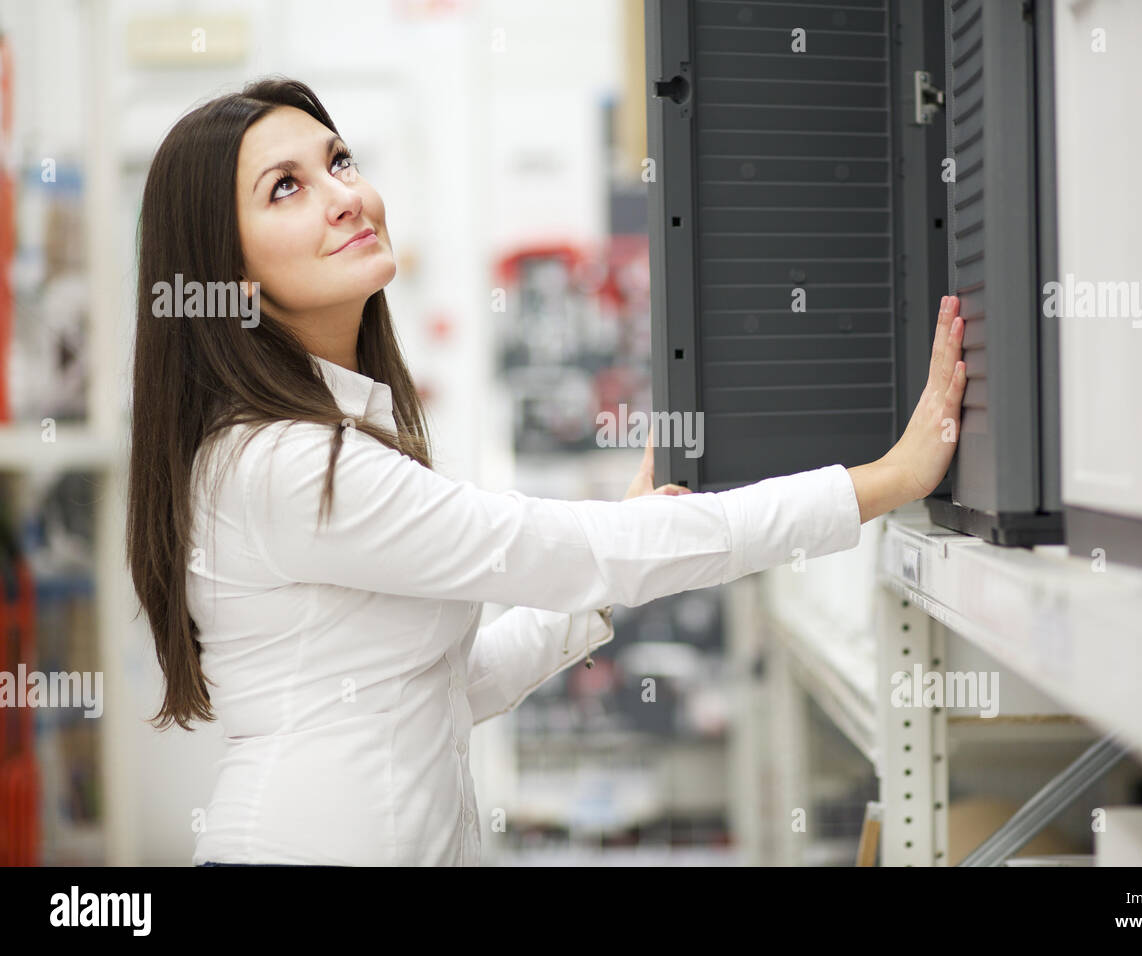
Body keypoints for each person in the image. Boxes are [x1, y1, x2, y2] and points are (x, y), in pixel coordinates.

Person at [125, 76, 967, 867]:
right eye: (286, 187)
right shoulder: (288, 464)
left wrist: (607, 568)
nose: (345, 195)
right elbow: (555, 548)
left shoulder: (325, 435)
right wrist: (889, 479)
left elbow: (441, 689)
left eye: (339, 161)